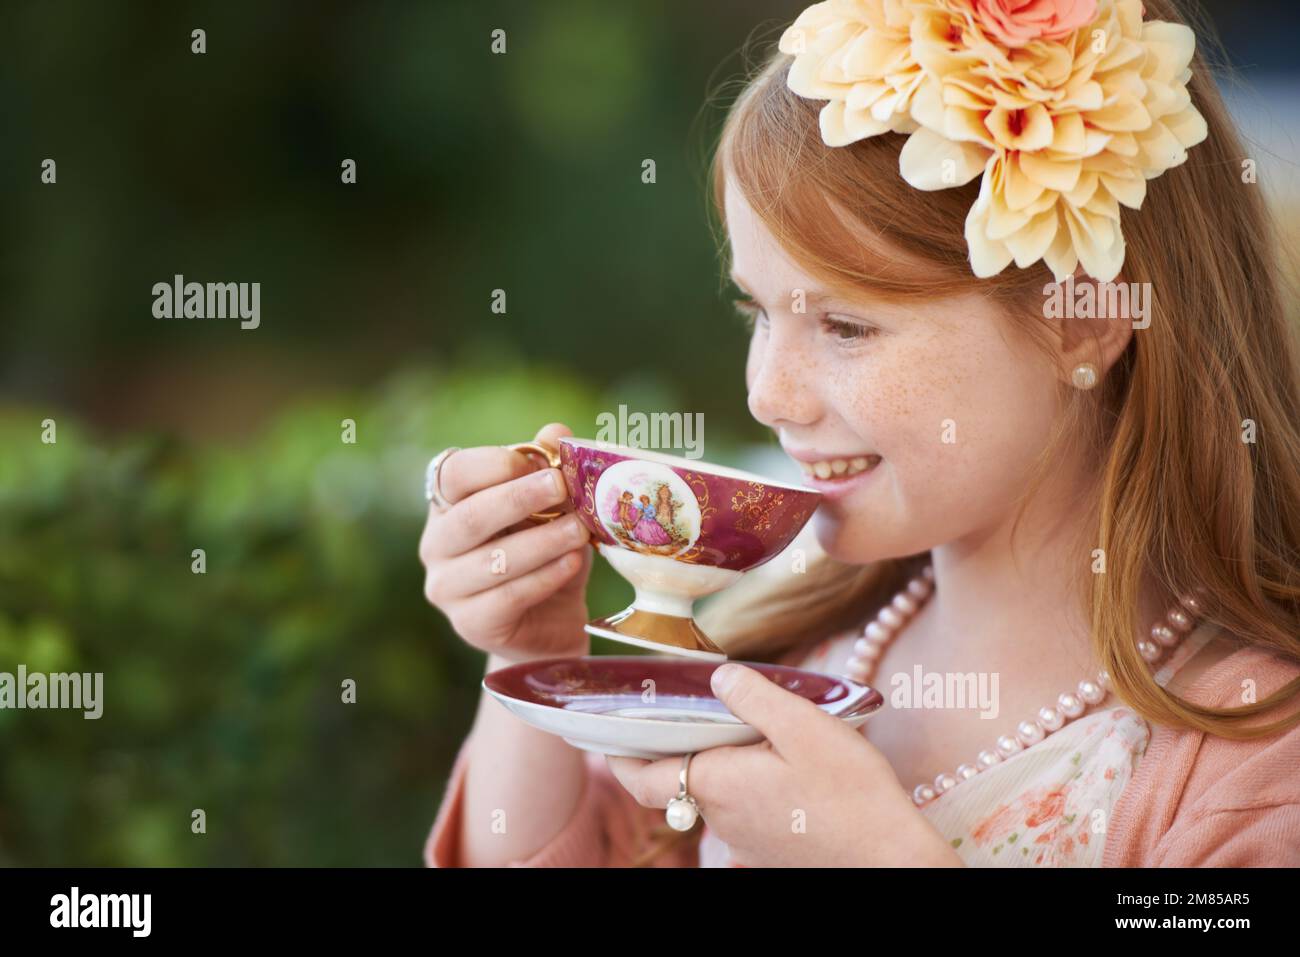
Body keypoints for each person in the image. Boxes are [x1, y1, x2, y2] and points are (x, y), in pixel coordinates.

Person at [417, 0, 1300, 867]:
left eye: (846, 327)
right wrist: (535, 658)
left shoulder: (1258, 763)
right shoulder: (767, 662)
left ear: (1082, 323)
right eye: (756, 312)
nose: (769, 394)